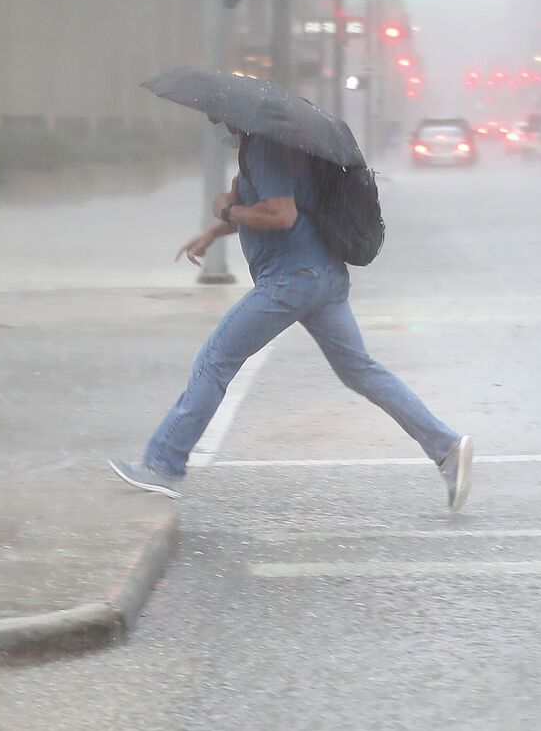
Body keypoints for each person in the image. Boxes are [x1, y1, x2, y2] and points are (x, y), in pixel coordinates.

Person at [110, 120, 472, 511]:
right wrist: (217, 229)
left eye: (217, 114)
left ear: (239, 114)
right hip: (325, 277)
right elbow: (269, 209)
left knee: (215, 360)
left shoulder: (265, 149)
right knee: (360, 370)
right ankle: (447, 448)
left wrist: (230, 207)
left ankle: (163, 465)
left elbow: (281, 215)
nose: (213, 121)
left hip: (290, 280)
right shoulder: (276, 149)